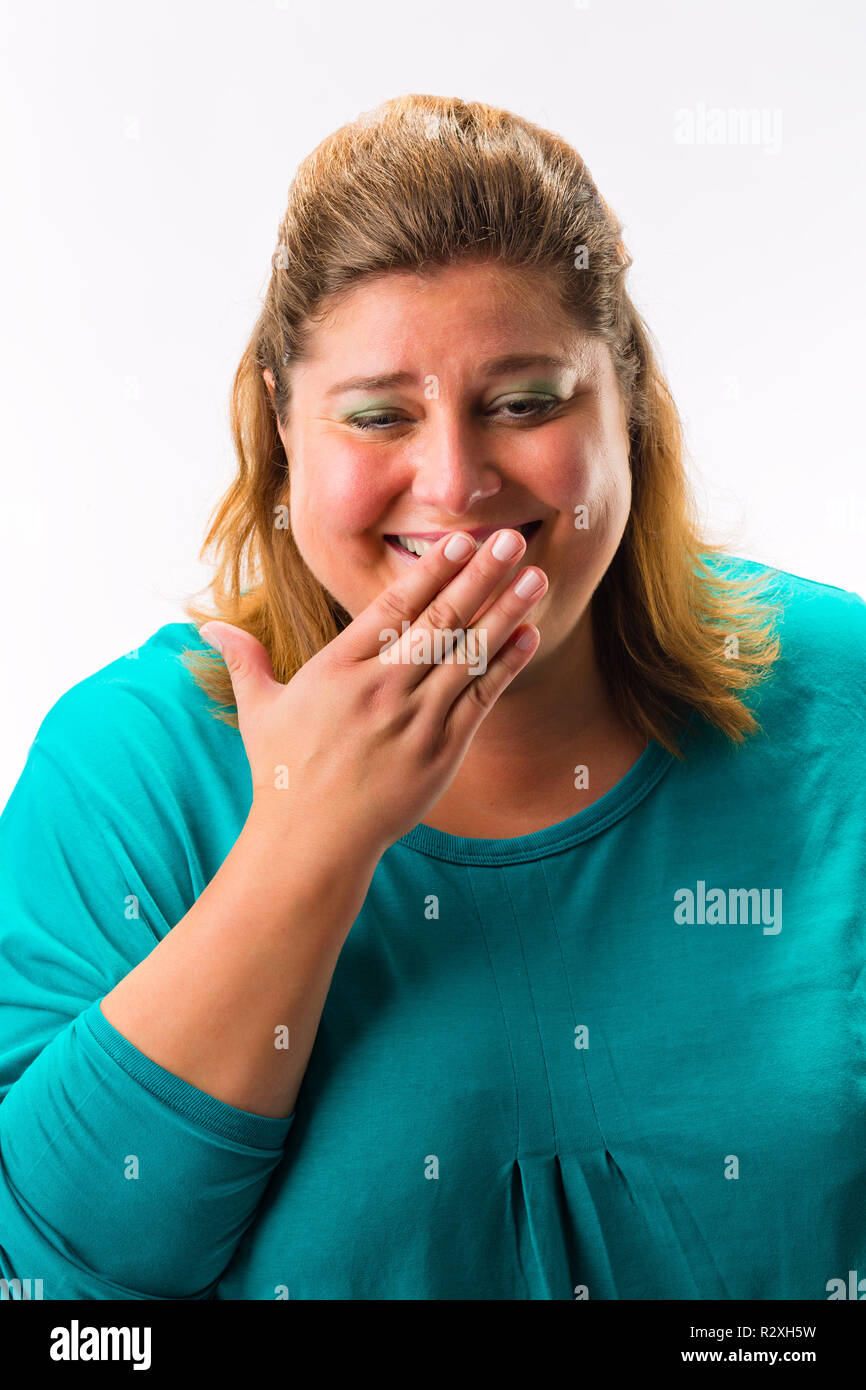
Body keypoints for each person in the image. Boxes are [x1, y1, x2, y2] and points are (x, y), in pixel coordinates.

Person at [1, 94, 864, 1302]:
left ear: (627, 404)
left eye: (524, 402)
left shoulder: (843, 694)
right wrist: (305, 843)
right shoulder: (125, 770)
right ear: (280, 430)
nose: (456, 484)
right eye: (376, 417)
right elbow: (62, 1281)